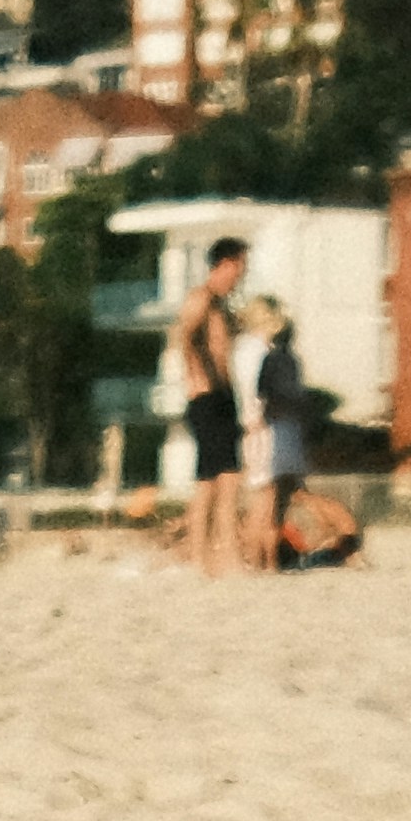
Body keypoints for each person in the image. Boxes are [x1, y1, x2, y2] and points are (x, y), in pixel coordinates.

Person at [169, 237, 250, 575]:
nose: (243, 273)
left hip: (223, 396)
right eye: (241, 265)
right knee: (217, 479)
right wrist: (197, 375)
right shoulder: (201, 298)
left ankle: (214, 555)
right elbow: (184, 335)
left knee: (219, 480)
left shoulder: (224, 306)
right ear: (227, 263)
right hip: (206, 396)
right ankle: (208, 557)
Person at [240, 296, 316, 567]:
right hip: (274, 429)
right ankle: (267, 560)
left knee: (265, 498)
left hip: (266, 427)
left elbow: (260, 395)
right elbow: (281, 397)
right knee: (273, 499)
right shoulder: (282, 360)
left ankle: (261, 560)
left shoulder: (257, 354)